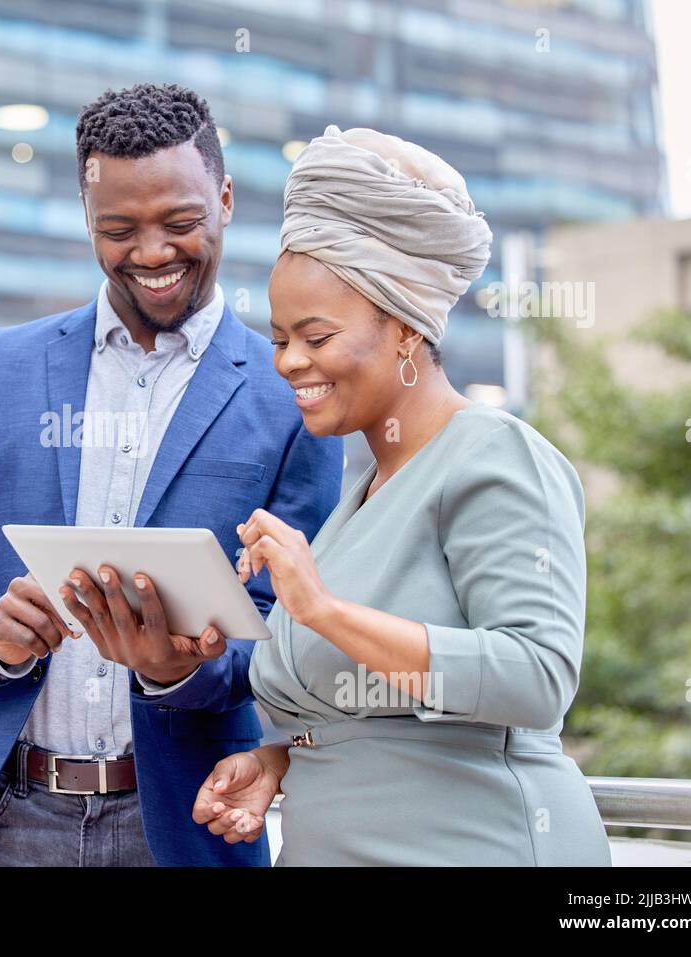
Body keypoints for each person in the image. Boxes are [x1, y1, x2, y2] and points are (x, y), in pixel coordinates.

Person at [0, 85, 342, 867]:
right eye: (119, 229)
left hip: (183, 824)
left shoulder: (295, 394)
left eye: (181, 223)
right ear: (86, 219)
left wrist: (181, 671)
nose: (153, 253)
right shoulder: (5, 367)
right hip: (3, 820)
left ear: (226, 199)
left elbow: (296, 641)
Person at [192, 125, 612, 866]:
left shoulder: (495, 455)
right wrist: (282, 761)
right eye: (280, 335)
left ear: (407, 331)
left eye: (316, 336)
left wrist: (322, 608)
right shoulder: (361, 491)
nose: (287, 362)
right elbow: (370, 716)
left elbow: (536, 677)